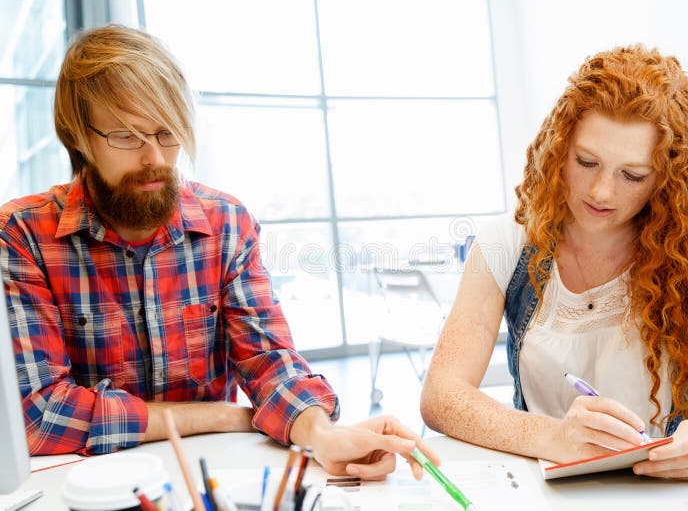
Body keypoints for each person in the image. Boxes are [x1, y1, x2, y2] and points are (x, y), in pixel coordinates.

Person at [0, 24, 438, 480]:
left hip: (212, 478)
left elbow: (271, 363)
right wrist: (227, 416)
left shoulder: (226, 224)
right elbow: (40, 415)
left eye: (167, 132)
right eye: (126, 137)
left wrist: (321, 434)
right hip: (91, 488)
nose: (155, 157)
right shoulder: (24, 234)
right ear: (78, 137)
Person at [420, 45, 688, 482]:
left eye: (632, 176)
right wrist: (552, 437)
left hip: (664, 496)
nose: (601, 192)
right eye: (586, 162)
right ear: (559, 148)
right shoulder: (507, 243)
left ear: (667, 177)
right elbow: (441, 396)